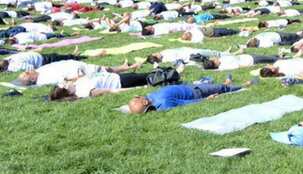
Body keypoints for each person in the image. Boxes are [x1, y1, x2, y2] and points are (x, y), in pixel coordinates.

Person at [49, 67, 180, 101]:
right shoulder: (84, 92)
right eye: (66, 85)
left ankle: (170, 76)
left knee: (148, 76)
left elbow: (81, 77)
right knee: (149, 78)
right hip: (121, 82)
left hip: (117, 77)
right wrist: (138, 88)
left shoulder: (77, 85)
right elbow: (111, 91)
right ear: (69, 92)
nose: (68, 83)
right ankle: (174, 76)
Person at [127, 81, 249, 113]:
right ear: (144, 102)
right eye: (138, 99)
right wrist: (206, 99)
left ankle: (229, 84)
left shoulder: (150, 96)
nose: (139, 97)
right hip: (196, 92)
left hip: (189, 87)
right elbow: (185, 103)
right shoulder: (164, 103)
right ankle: (242, 86)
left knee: (216, 86)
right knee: (222, 88)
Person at [15, 59, 141, 87]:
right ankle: (130, 71)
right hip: (79, 72)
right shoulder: (43, 79)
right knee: (106, 72)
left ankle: (125, 67)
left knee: (105, 68)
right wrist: (78, 75)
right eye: (26, 74)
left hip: (77, 65)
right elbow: (62, 78)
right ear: (31, 80)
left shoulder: (39, 70)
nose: (27, 71)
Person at [0, 51, 82, 72]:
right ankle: (76, 56)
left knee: (58, 56)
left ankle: (74, 56)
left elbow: (30, 67)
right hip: (42, 59)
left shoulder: (10, 62)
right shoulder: (11, 63)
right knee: (59, 57)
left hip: (41, 58)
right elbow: (30, 67)